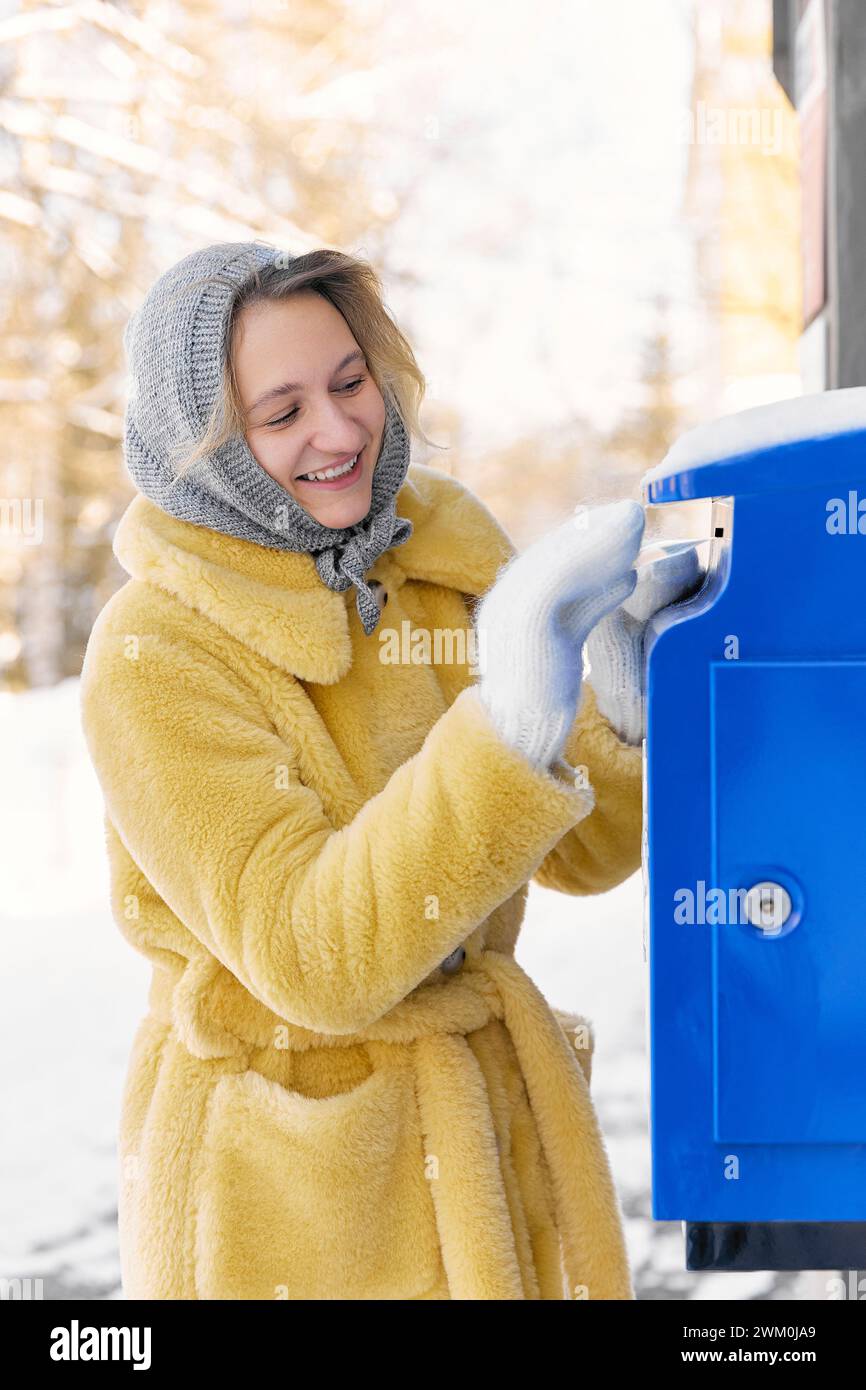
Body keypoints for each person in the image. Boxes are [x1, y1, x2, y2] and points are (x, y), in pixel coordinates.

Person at [79, 240, 700, 1301]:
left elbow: (581, 851)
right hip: (287, 1193)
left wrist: (619, 688)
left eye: (349, 380)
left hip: (476, 1151)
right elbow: (313, 957)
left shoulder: (430, 557)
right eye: (278, 416)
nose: (337, 431)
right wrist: (505, 719)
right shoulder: (157, 652)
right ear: (204, 452)